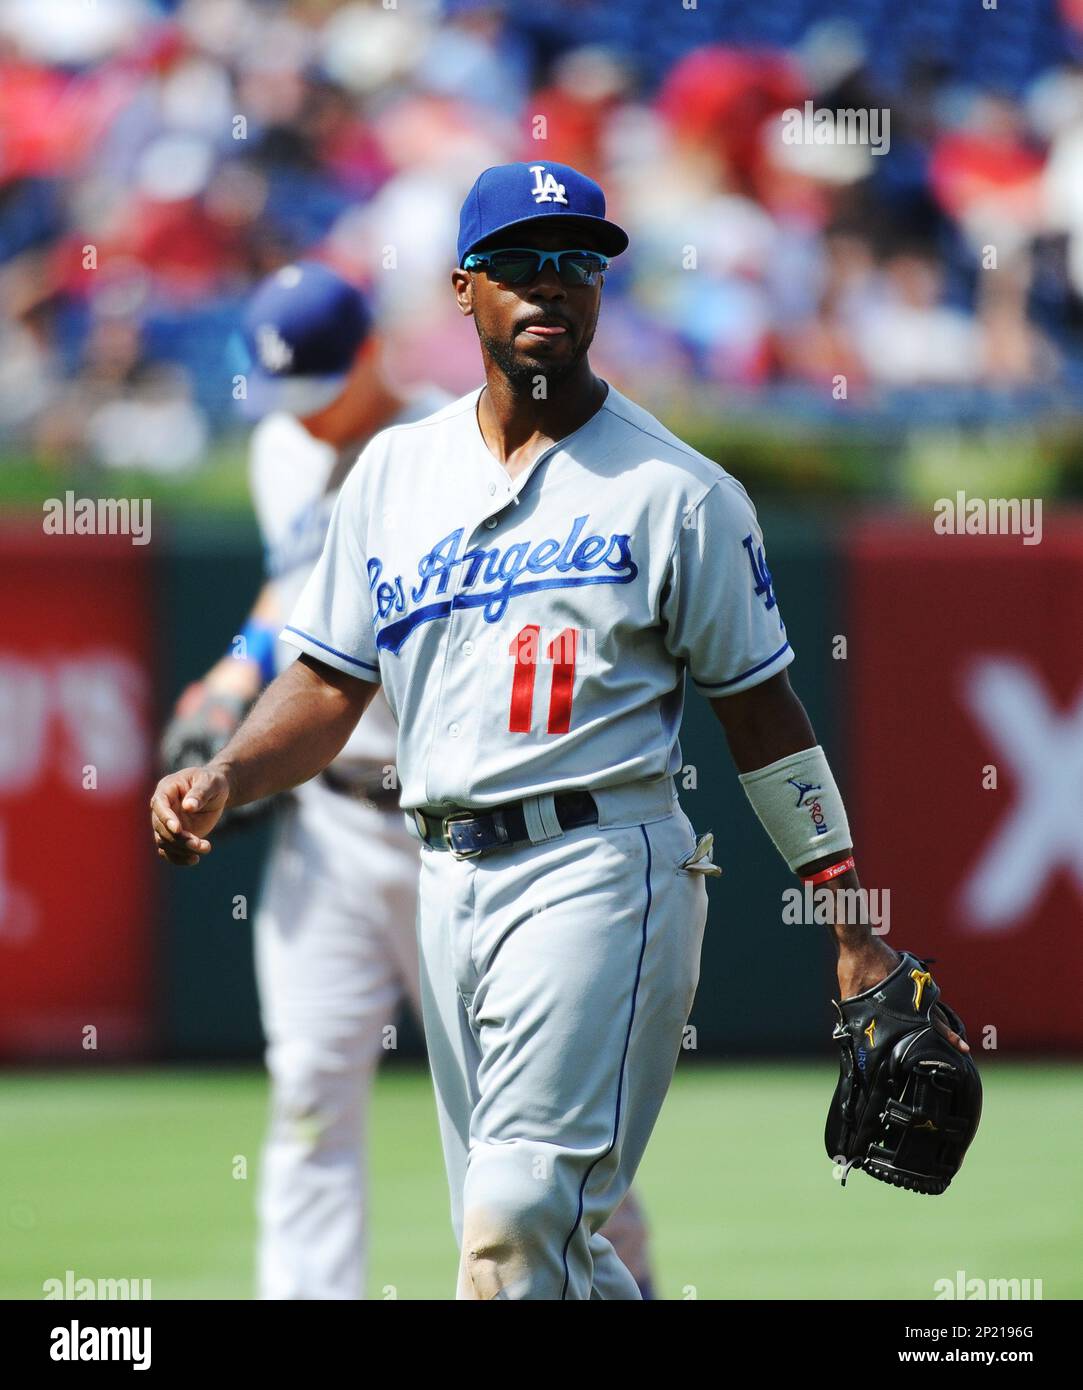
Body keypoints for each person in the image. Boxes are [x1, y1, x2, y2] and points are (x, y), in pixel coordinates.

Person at [151, 161, 969, 1300]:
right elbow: (330, 685)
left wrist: (849, 921)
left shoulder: (680, 493)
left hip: (603, 866)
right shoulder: (392, 475)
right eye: (523, 262)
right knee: (542, 1250)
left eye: (579, 260)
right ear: (463, 288)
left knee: (513, 1221)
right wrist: (229, 773)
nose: (553, 284)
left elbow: (765, 717)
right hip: (440, 873)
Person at [160, 256, 656, 1299]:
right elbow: (293, 596)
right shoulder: (281, 454)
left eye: (322, 390)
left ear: (370, 356)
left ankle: (625, 1284)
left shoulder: (453, 451)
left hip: (470, 823)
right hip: (329, 819)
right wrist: (230, 679)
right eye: (286, 395)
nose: (304, 418)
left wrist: (240, 675)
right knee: (307, 1093)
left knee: (531, 1130)